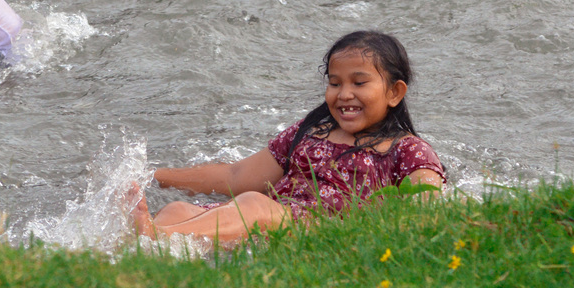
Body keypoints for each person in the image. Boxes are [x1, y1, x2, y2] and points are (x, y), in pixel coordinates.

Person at [131, 30, 445, 244]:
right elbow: (236, 175)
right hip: (270, 218)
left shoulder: (408, 151)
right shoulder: (309, 134)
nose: (344, 93)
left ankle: (155, 239)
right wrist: (151, 176)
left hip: (315, 234)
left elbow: (424, 209)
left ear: (394, 92)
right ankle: (147, 244)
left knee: (254, 205)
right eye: (335, 83)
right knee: (178, 210)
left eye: (359, 83)